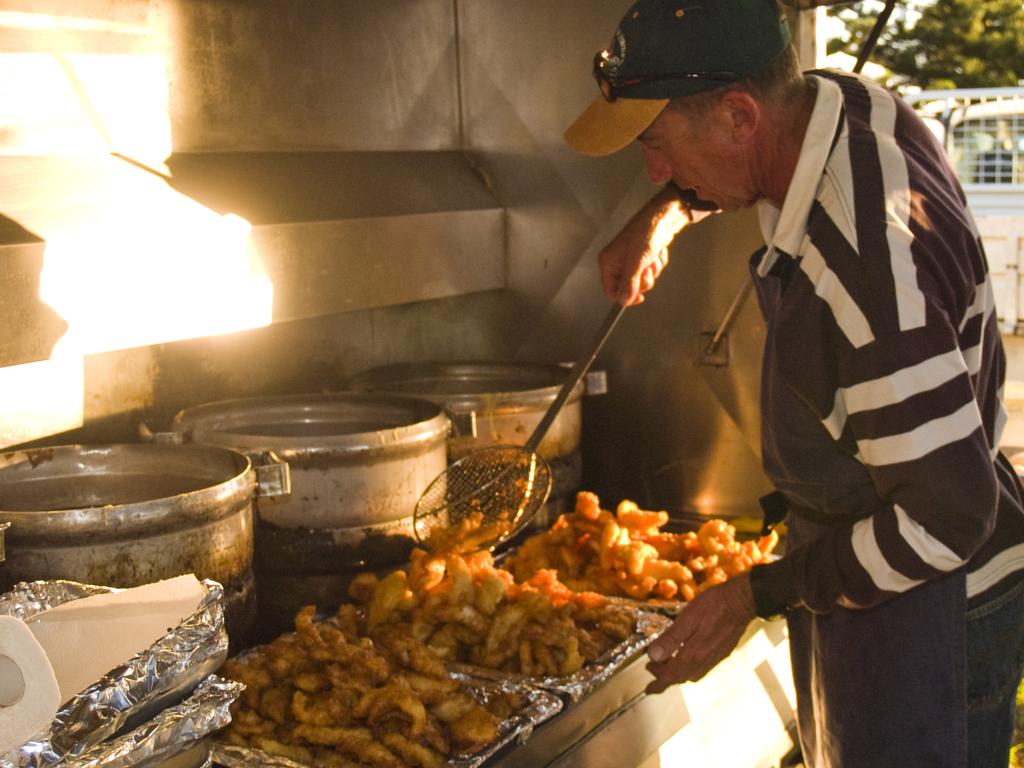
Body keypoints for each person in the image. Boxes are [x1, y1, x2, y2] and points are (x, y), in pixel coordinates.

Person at [563, 1, 1024, 765]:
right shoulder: (840, 104)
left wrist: (756, 593)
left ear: (739, 116)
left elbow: (947, 519)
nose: (653, 170)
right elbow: (763, 150)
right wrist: (665, 213)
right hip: (869, 572)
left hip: (934, 610)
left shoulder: (868, 274)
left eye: (656, 145)